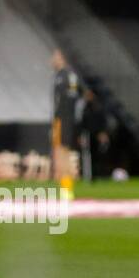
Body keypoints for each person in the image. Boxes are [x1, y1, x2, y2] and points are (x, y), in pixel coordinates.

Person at [49, 49, 81, 181]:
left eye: (55, 56)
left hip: (65, 117)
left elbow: (72, 96)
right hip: (59, 118)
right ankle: (62, 178)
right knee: (58, 148)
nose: (52, 59)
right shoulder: (58, 75)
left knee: (62, 149)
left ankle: (65, 180)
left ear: (62, 57)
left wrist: (67, 117)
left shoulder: (69, 75)